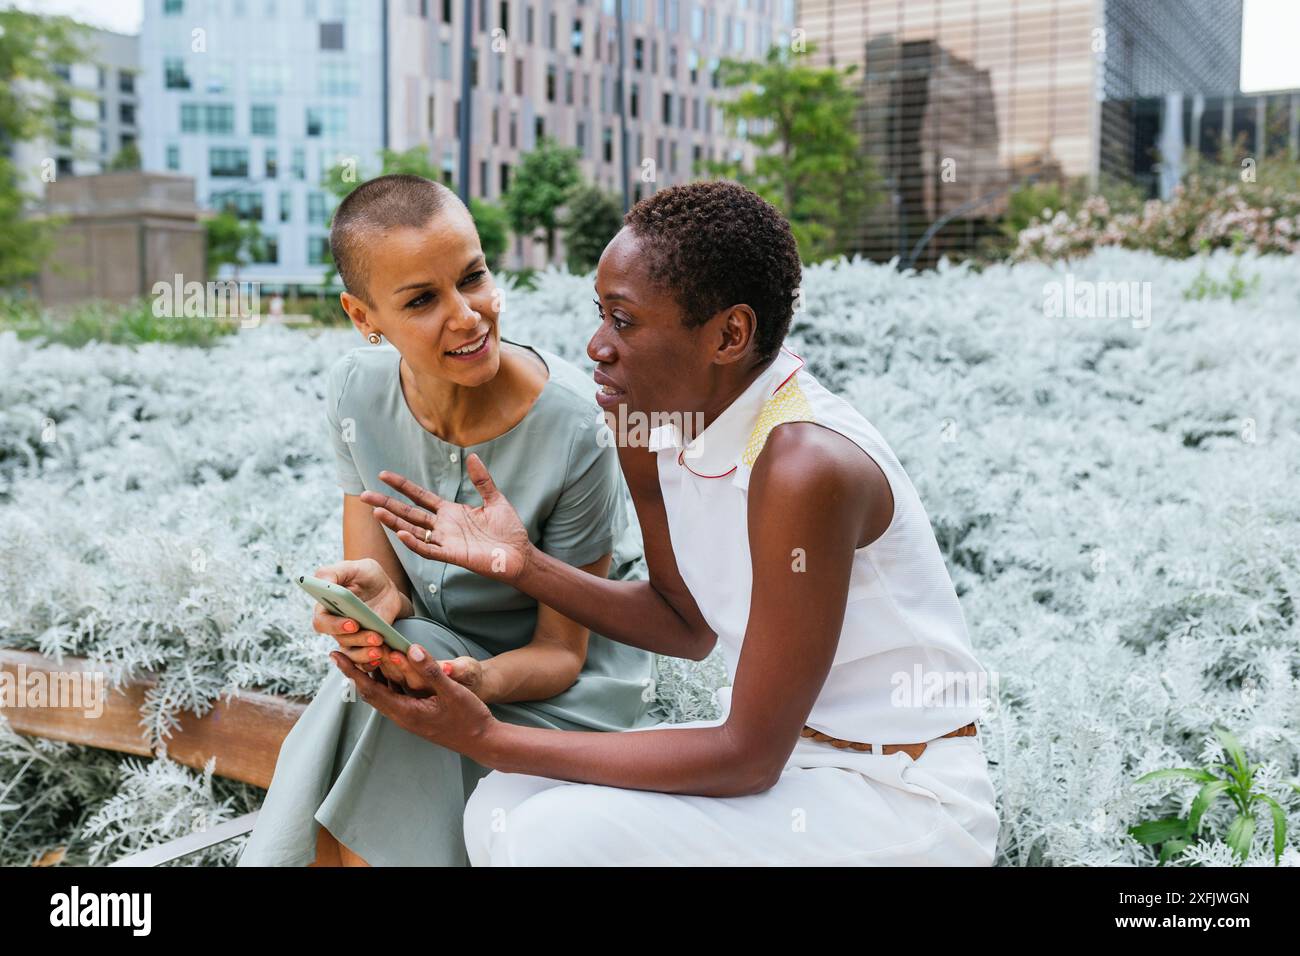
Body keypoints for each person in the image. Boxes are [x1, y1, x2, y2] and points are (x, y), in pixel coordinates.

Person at [339, 180, 1001, 866]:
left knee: (545, 832)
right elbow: (682, 623)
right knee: (506, 804)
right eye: (600, 314)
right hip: (802, 765)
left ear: (729, 334)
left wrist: (484, 737)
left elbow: (746, 758)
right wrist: (528, 566)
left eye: (623, 320)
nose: (596, 346)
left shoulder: (805, 466)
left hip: (897, 795)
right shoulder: (646, 424)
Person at [236, 174, 660, 867]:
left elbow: (562, 654)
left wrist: (476, 685)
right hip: (432, 655)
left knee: (400, 696)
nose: (467, 315)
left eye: (474, 277)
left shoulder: (576, 429)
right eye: (423, 300)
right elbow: (388, 594)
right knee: (398, 673)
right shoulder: (356, 391)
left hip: (554, 691)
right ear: (362, 316)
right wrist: (369, 600)